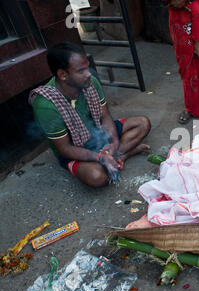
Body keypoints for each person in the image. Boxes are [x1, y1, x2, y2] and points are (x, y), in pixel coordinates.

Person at [30, 42, 151, 187]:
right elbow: (65, 149)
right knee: (97, 176)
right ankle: (123, 155)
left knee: (143, 123)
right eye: (81, 71)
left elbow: (105, 116)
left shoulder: (90, 82)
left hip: (98, 134)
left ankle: (120, 156)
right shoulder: (46, 106)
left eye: (87, 67)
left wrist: (114, 143)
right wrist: (99, 157)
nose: (88, 73)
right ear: (63, 75)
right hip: (76, 148)